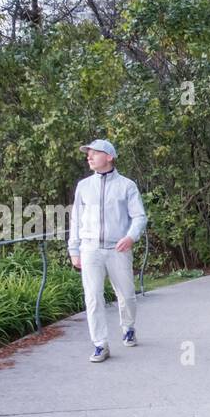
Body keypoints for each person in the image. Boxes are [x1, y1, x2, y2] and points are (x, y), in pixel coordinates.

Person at [68, 139, 147, 363]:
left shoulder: (126, 185)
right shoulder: (83, 186)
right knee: (93, 297)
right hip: (90, 248)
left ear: (109, 157)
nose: (89, 157)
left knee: (128, 296)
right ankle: (100, 344)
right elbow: (75, 219)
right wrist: (74, 249)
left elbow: (139, 216)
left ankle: (128, 326)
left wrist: (131, 236)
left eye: (94, 153)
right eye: (88, 154)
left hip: (118, 249)